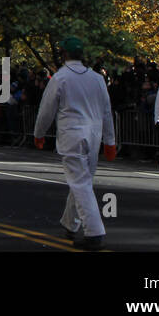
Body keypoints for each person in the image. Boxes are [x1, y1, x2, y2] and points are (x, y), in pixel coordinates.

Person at [33, 36, 117, 250]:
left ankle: (94, 232)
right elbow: (107, 112)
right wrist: (110, 141)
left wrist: (39, 133)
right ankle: (70, 225)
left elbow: (46, 110)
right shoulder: (97, 79)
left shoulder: (61, 77)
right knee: (83, 180)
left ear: (64, 54)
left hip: (72, 135)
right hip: (94, 135)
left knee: (80, 183)